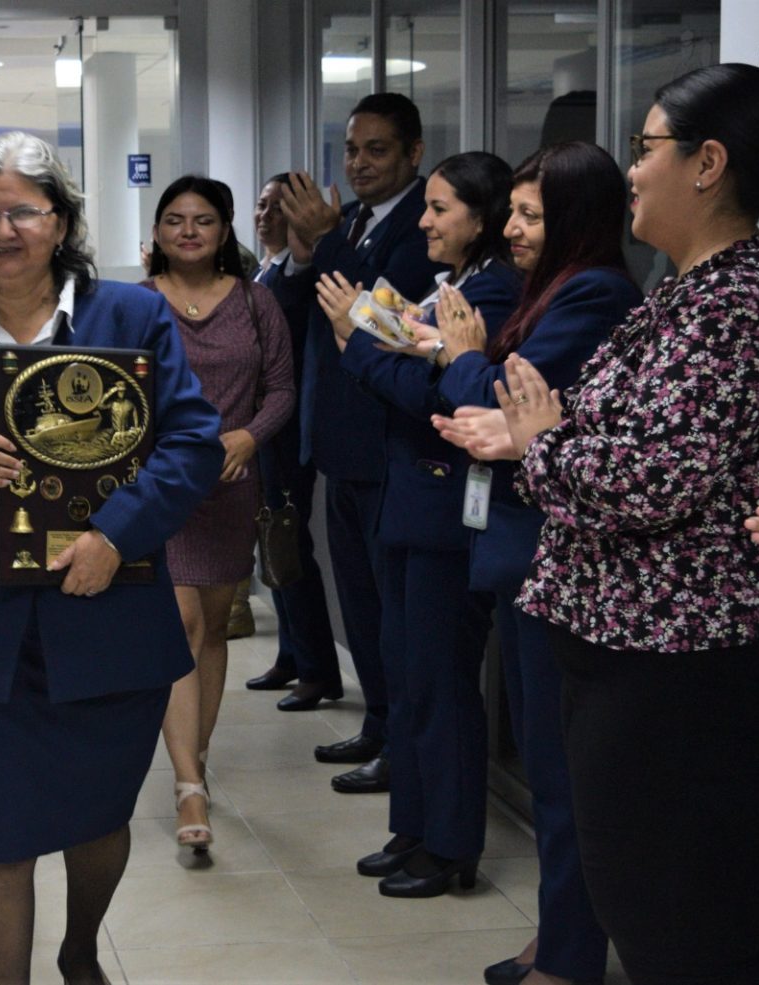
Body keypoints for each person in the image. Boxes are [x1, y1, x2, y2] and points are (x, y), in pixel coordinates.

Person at [465, 64, 759, 984]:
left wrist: (540, 445)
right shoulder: (689, 289)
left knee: (687, 929)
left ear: (709, 164)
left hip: (696, 670)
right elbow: (609, 433)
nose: (631, 171)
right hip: (639, 660)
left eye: (645, 147)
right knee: (667, 918)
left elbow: (652, 475)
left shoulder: (742, 300)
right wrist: (544, 433)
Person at [0, 131, 222, 985]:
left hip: (107, 613)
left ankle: (81, 947)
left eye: (24, 209)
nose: (4, 228)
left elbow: (193, 445)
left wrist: (114, 536)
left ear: (60, 222)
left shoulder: (128, 316)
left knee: (98, 821)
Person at [425, 143, 640, 984]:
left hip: (554, 556)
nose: (511, 230)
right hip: (521, 552)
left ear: (577, 220)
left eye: (531, 216)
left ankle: (571, 955)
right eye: (511, 212)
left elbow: (497, 402)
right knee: (551, 765)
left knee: (561, 773)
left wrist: (456, 358)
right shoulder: (551, 289)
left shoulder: (593, 293)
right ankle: (555, 940)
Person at [315, 150, 522, 899]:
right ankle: (415, 825)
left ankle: (451, 842)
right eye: (426, 206)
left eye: (440, 209)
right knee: (407, 675)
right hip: (413, 497)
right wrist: (389, 340)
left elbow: (440, 401)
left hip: (447, 508)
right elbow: (421, 370)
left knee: (440, 680)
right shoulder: (454, 287)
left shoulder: (494, 293)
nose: (426, 221)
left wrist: (361, 345)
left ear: (481, 216)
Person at [277, 92, 449, 795]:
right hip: (339, 443)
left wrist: (327, 245)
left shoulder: (420, 228)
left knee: (389, 610)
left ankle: (399, 738)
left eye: (377, 149)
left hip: (389, 446)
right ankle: (379, 721)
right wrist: (297, 258)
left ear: (412, 153)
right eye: (351, 149)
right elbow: (303, 319)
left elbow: (384, 313)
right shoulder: (345, 221)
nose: (360, 162)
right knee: (360, 602)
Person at [142, 174, 294, 851]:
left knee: (212, 629)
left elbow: (283, 389)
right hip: (160, 484)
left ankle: (193, 754)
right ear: (156, 232)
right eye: (174, 220)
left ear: (224, 228)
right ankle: (188, 787)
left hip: (232, 483)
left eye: (202, 220)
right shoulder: (137, 303)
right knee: (177, 621)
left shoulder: (257, 302)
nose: (188, 231)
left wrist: (248, 436)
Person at [243, 173, 342, 712]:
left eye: (276, 207)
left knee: (288, 538)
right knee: (272, 539)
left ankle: (318, 668)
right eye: (260, 205)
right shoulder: (263, 270)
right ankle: (292, 653)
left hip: (286, 426)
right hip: (260, 424)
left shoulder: (297, 274)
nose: (265, 215)